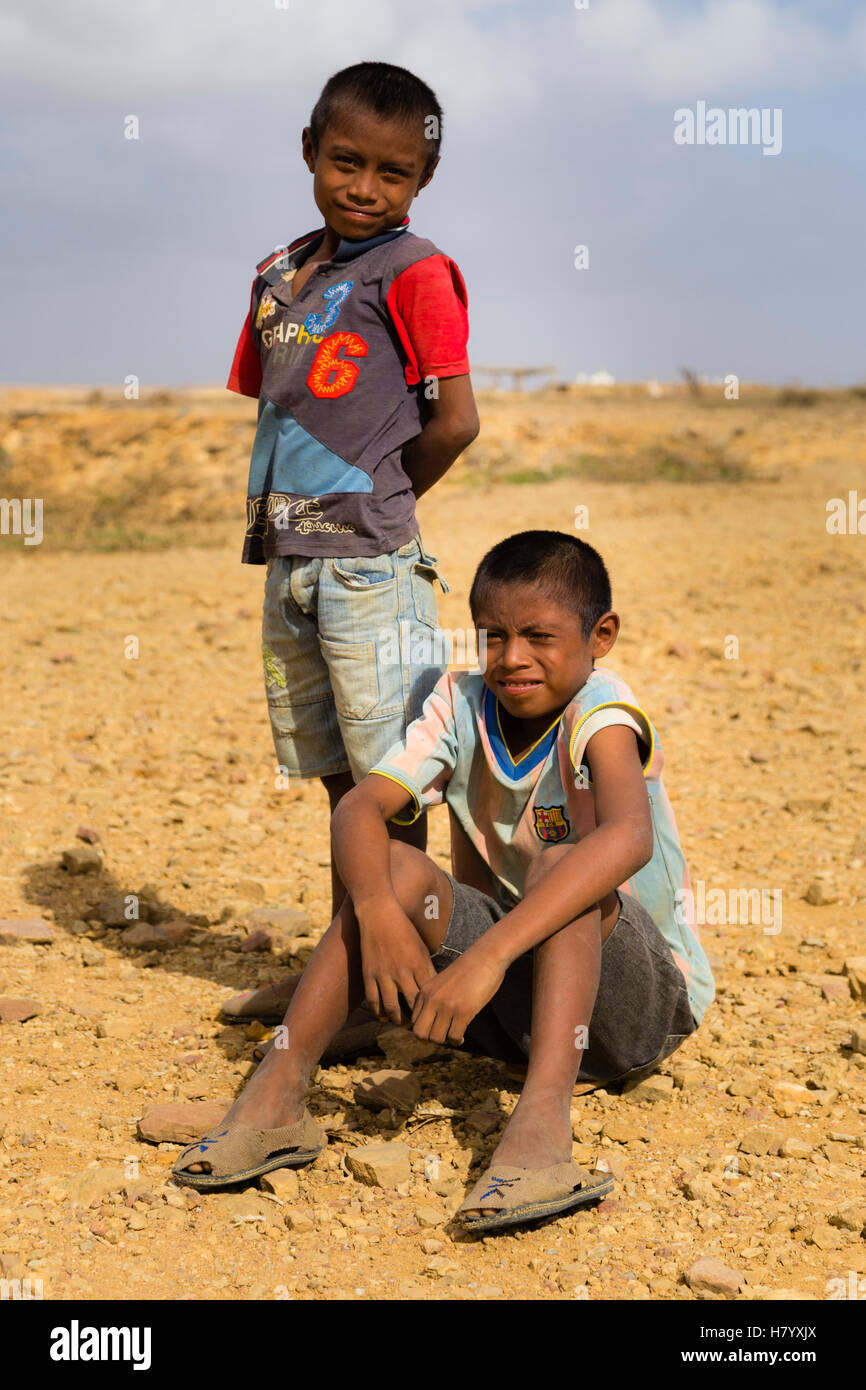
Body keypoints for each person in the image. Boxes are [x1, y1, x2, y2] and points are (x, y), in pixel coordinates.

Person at [174, 531, 715, 1233]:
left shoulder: (602, 711)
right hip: (513, 1000)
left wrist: (485, 957)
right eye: (494, 635)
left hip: (641, 1009)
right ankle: (277, 1097)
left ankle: (542, 1130)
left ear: (600, 636)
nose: (512, 657)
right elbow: (360, 808)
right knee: (391, 866)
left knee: (567, 866)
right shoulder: (460, 702)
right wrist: (376, 912)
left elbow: (627, 838)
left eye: (539, 637)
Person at [226, 58, 478, 933]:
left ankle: (399, 976)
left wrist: (382, 506)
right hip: (291, 560)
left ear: (425, 177)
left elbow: (454, 422)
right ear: (309, 151)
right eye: (345, 162)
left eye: (393, 172)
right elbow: (280, 407)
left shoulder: (417, 271)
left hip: (368, 567)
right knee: (341, 782)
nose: (365, 188)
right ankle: (352, 976)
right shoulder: (279, 276)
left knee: (391, 787)